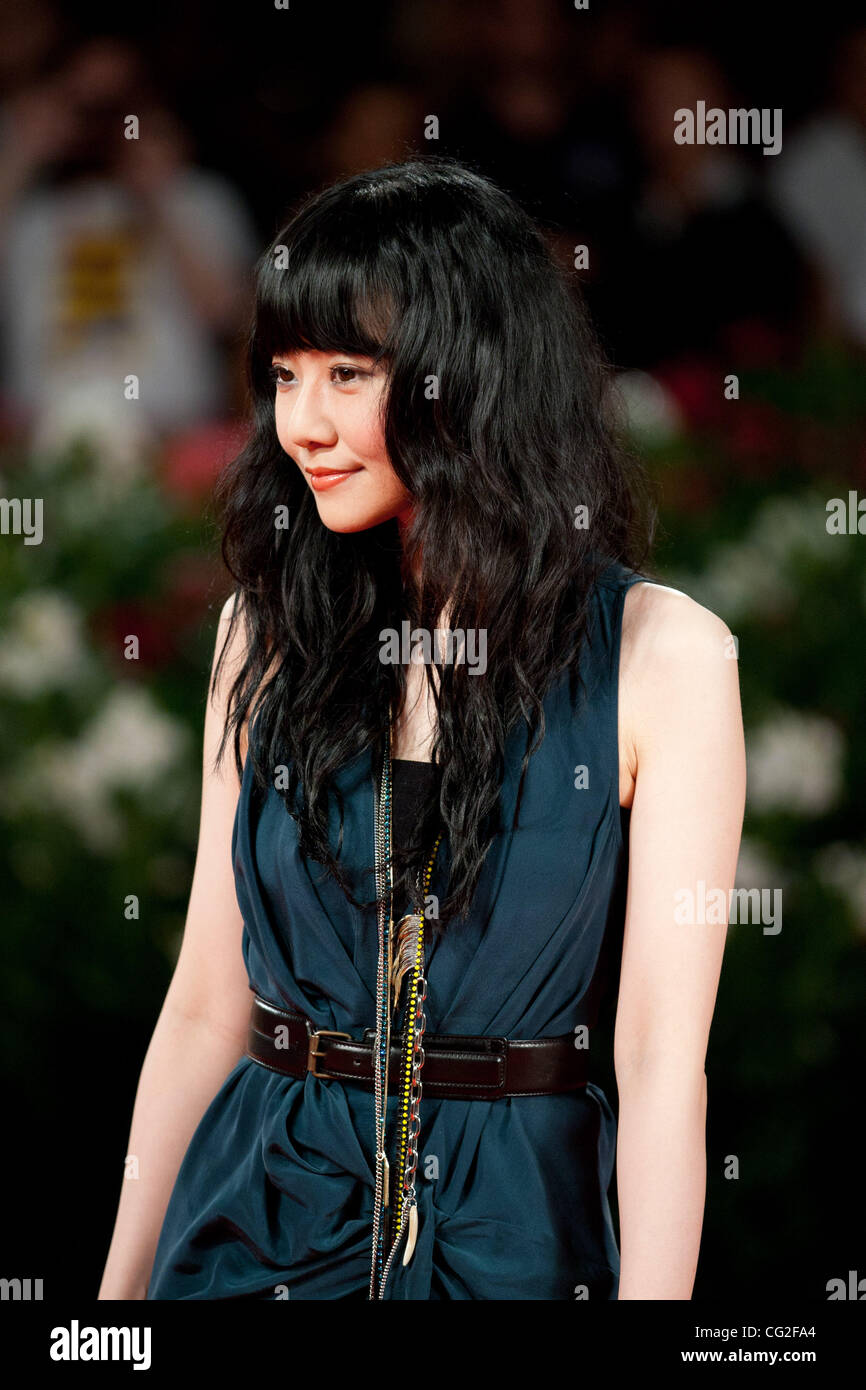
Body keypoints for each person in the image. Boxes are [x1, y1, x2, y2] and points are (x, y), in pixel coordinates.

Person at [98, 157, 746, 1301]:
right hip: (258, 1225)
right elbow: (207, 1001)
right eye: (284, 375)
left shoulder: (664, 656)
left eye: (349, 372)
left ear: (470, 373)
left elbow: (655, 1062)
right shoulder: (268, 630)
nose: (302, 424)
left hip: (517, 1239)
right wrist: (115, 1310)